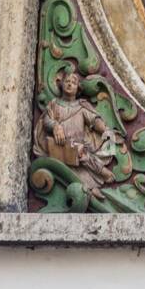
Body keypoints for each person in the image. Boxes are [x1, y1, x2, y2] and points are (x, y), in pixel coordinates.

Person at [32, 65, 118, 197]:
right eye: (67, 81)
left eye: (74, 82)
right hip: (60, 145)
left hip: (80, 144)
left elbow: (94, 120)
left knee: (82, 151)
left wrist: (104, 130)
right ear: (62, 85)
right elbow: (46, 120)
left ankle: (90, 186)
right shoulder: (55, 104)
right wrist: (55, 126)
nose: (70, 84)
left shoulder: (81, 105)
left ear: (78, 88)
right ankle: (100, 174)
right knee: (77, 151)